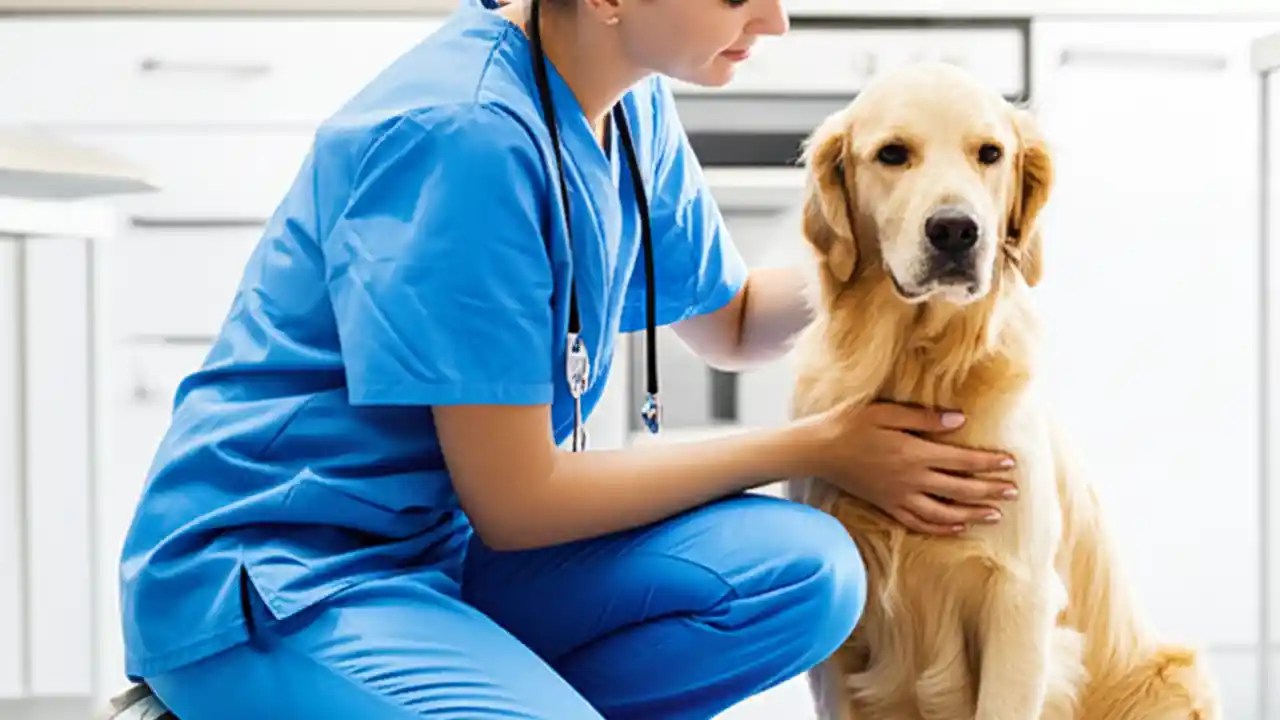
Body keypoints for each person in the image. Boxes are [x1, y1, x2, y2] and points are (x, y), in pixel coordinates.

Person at [107, 0, 1022, 718]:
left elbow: (735, 318)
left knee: (808, 575)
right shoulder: (462, 137)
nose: (775, 21)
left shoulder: (624, 100)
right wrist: (817, 445)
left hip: (440, 547)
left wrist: (931, 255)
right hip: (283, 577)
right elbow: (521, 502)